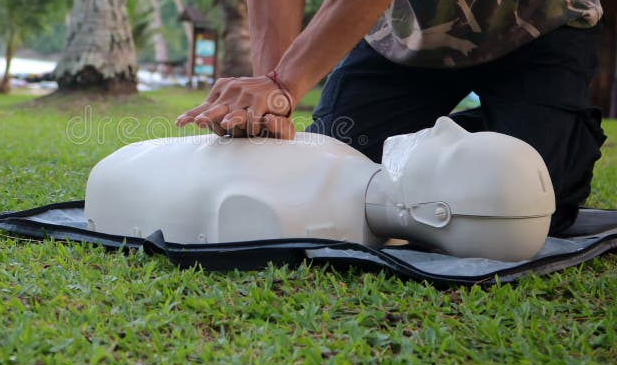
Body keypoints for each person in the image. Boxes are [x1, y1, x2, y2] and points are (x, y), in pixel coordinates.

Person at [174, 0, 605, 235]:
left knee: (526, 200)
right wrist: (272, 102)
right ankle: (460, 146)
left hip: (535, 22)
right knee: (326, 179)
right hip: (408, 34)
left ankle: (533, 139)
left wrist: (285, 82)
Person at [85, 117, 555, 261]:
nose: (446, 124)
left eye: (456, 151)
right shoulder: (344, 161)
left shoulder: (285, 212)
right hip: (124, 168)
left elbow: (234, 210)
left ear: (437, 214)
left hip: (117, 179)